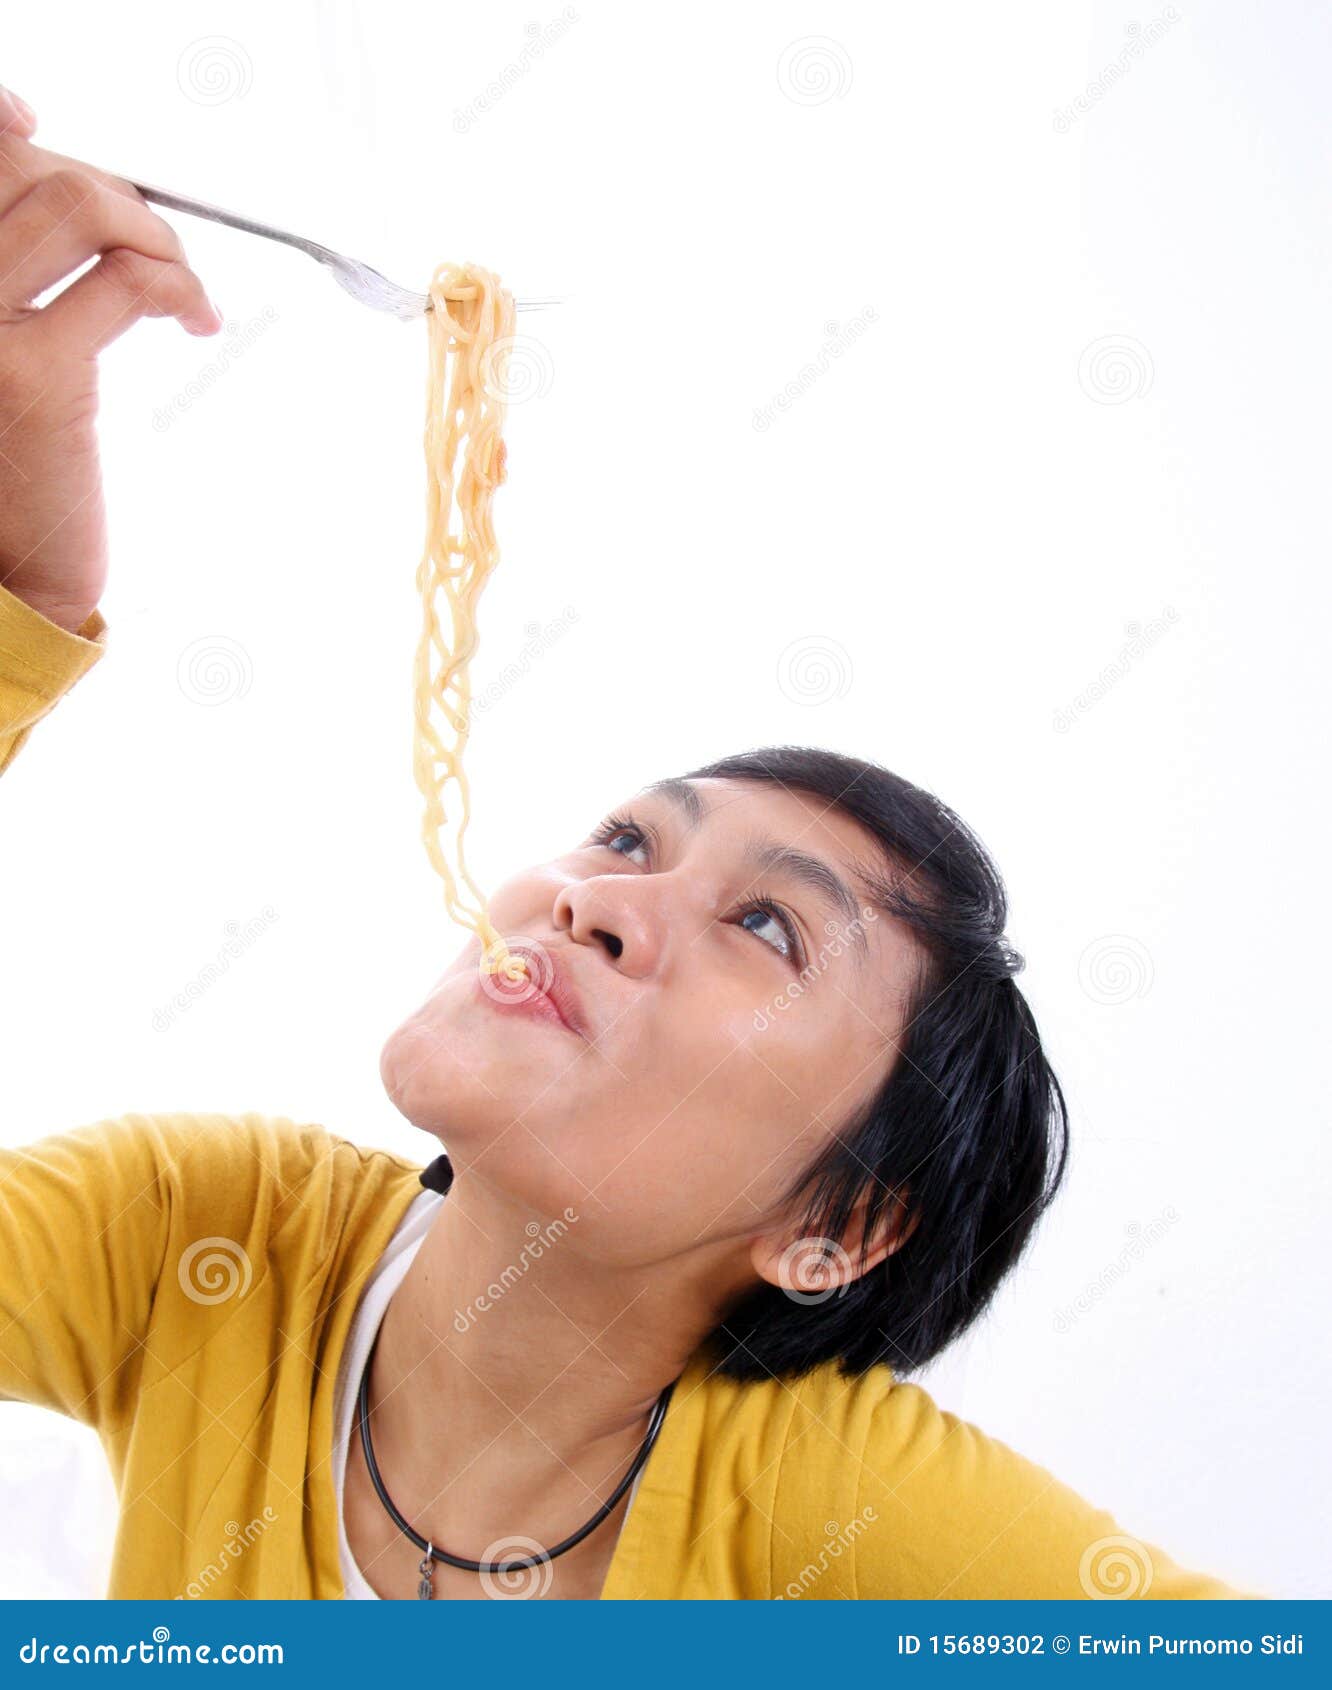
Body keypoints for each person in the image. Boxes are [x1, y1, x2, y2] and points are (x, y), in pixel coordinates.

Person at [0, 84, 1260, 1602]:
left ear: (838, 1225)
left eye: (767, 926)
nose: (596, 899)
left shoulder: (824, 1499)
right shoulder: (209, 1244)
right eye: (623, 837)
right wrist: (11, 598)